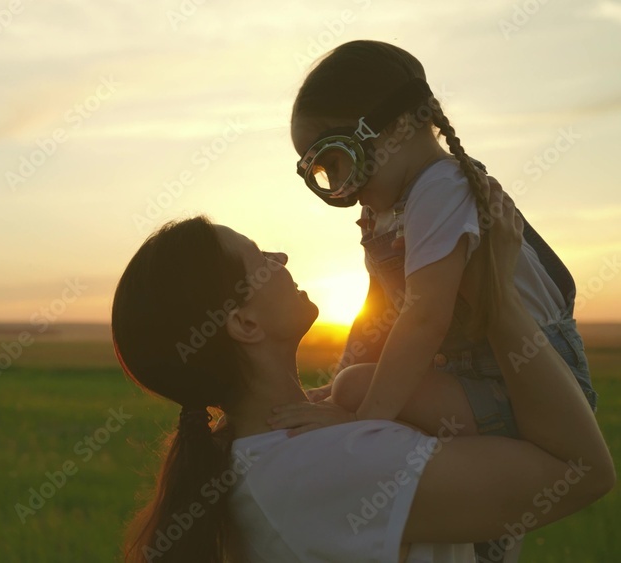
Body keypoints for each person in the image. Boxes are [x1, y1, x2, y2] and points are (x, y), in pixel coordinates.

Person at [110, 180, 614, 562]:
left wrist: (389, 274)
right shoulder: (333, 462)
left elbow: (374, 353)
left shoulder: (284, 435)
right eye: (258, 257)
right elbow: (581, 473)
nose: (279, 256)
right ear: (243, 322)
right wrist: (497, 296)